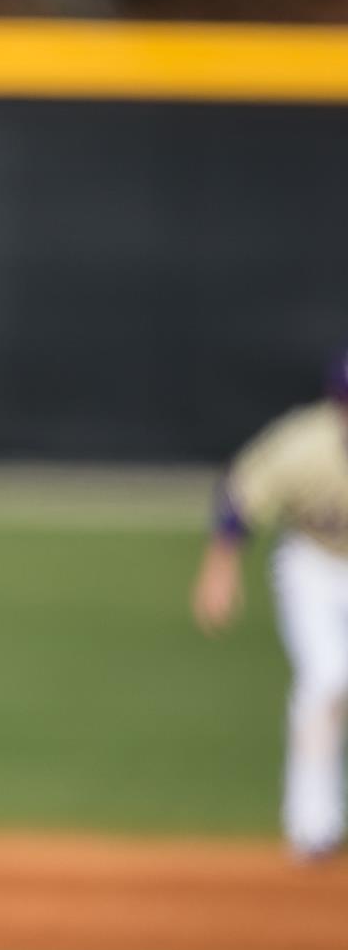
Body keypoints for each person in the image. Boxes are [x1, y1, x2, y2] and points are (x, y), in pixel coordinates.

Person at [192, 347, 348, 860]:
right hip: (313, 566)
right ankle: (312, 827)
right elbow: (240, 495)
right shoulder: (305, 446)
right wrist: (219, 570)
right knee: (327, 680)